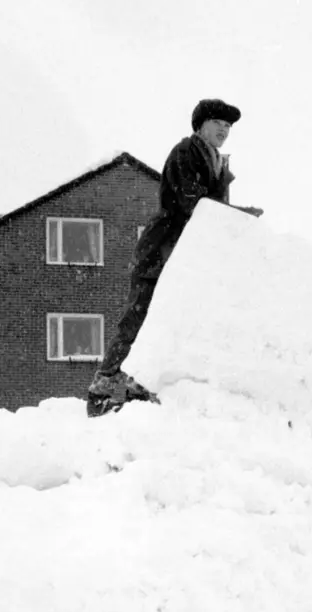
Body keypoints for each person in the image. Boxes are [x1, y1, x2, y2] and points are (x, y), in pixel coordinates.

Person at [87, 98, 263, 418]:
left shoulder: (216, 161)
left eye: (228, 127)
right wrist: (237, 215)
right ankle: (107, 380)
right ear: (200, 126)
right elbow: (192, 204)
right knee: (140, 313)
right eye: (217, 124)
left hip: (187, 252)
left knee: (171, 319)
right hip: (163, 247)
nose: (224, 130)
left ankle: (143, 379)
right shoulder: (187, 153)